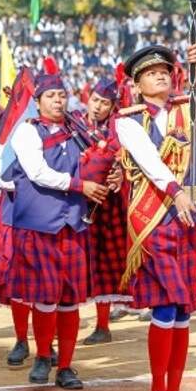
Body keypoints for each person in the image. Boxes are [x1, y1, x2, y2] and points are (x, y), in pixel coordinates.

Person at [115, 44, 196, 391]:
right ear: (136, 86)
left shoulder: (186, 108)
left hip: (190, 217)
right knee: (165, 307)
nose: (161, 75)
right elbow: (149, 162)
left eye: (166, 70)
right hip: (156, 219)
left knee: (183, 310)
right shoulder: (129, 120)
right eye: (151, 73)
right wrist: (176, 191)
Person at [0, 58, 108, 388]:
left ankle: (65, 365)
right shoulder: (26, 132)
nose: (58, 101)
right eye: (51, 96)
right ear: (38, 101)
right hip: (38, 224)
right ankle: (43, 355)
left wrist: (107, 173)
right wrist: (81, 185)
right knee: (45, 297)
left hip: (73, 225)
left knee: (69, 298)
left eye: (62, 95)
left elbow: (94, 164)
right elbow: (37, 172)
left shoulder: (79, 133)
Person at [78, 71, 132, 346]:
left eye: (105, 103)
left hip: (106, 209)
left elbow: (129, 162)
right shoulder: (73, 124)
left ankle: (102, 325)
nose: (98, 106)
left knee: (102, 265)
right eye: (96, 100)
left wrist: (119, 175)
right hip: (75, 203)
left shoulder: (118, 131)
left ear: (113, 107)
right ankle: (65, 316)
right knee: (73, 265)